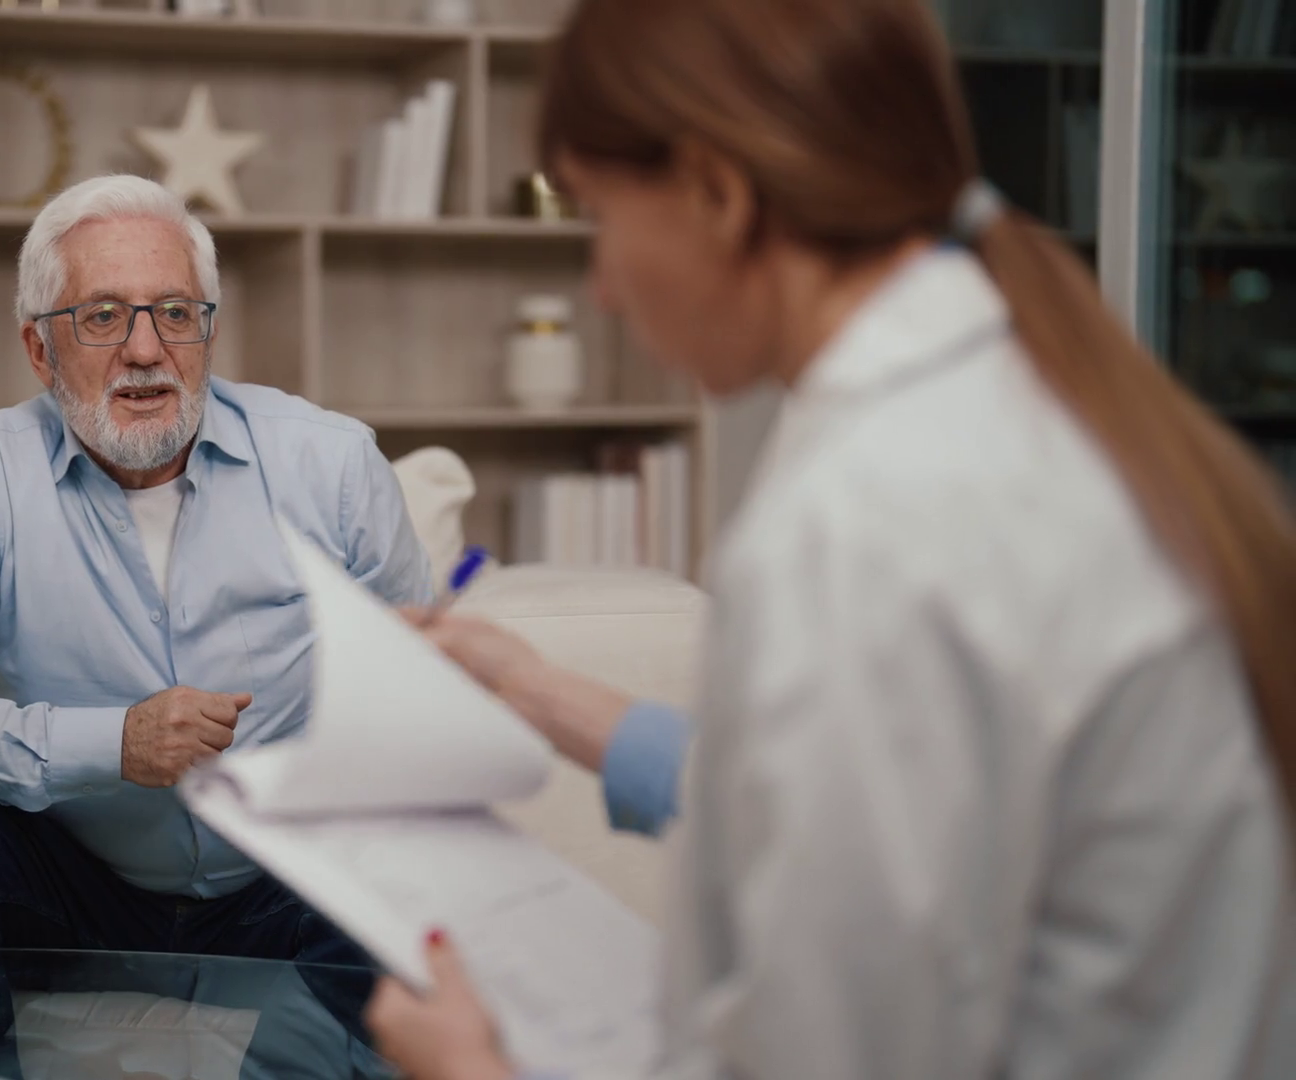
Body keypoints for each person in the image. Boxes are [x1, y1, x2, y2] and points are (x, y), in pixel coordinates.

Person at [364, 1, 1296, 1078]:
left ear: (717, 192)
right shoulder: (1026, 413)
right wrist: (536, 689)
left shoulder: (859, 531)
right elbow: (867, 822)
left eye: (601, 220)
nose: (604, 289)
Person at [0, 173, 432, 1048]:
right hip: (68, 889)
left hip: (288, 886)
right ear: (40, 349)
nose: (146, 349)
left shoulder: (330, 464)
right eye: (103, 317)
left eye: (174, 313)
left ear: (206, 330)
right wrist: (106, 745)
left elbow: (428, 707)